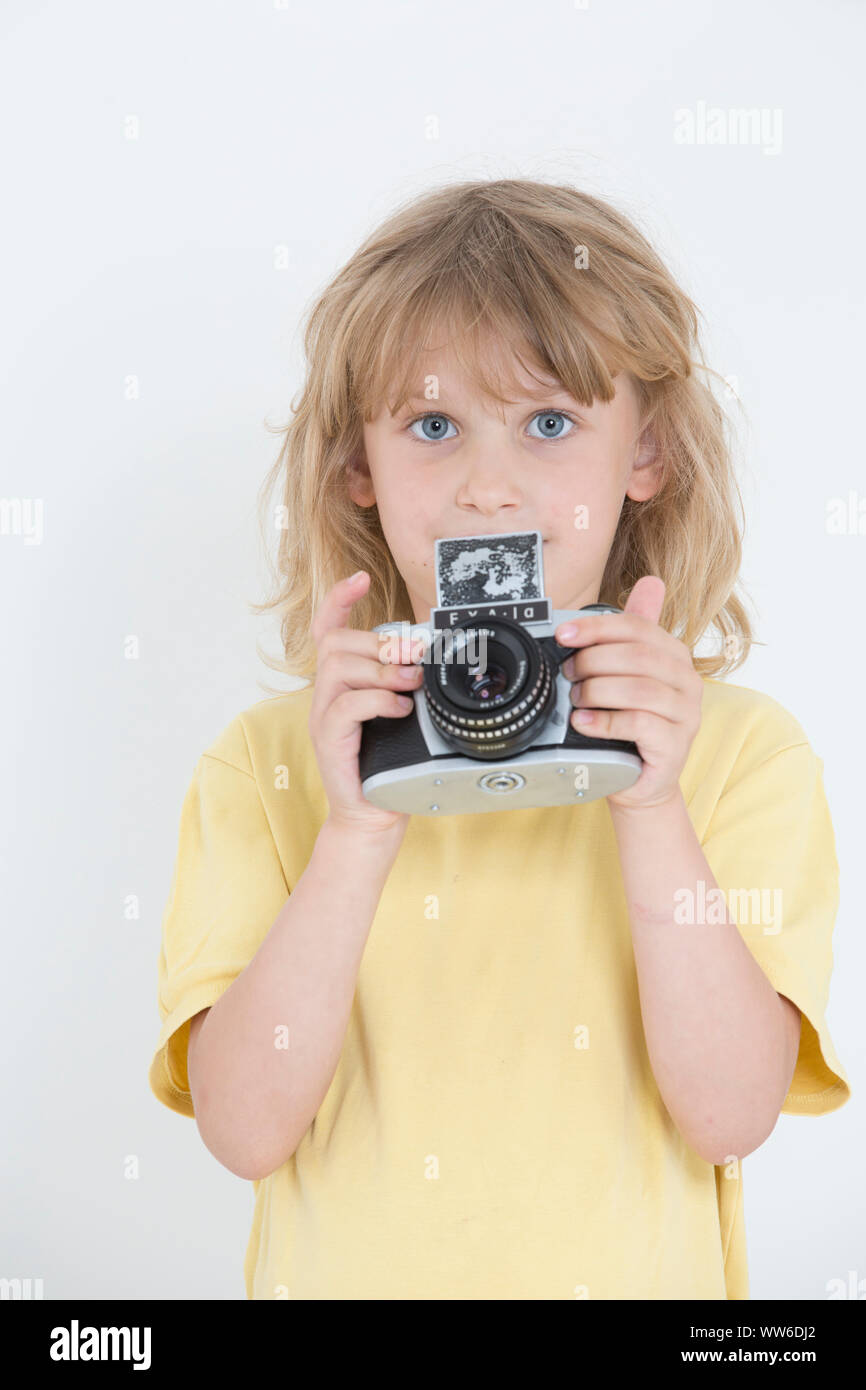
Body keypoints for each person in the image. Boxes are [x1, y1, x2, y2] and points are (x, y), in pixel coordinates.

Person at [148, 178, 850, 1300]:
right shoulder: (271, 765)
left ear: (646, 454)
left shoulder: (735, 756)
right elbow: (242, 1132)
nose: (487, 482)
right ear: (357, 470)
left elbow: (727, 1117)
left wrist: (652, 805)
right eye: (433, 426)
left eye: (548, 422)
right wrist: (355, 828)